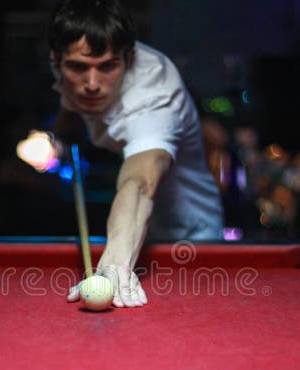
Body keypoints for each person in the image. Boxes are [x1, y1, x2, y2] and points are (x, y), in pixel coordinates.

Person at [48, 0, 224, 308]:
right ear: (56, 60)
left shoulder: (156, 95)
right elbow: (70, 99)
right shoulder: (73, 68)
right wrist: (66, 123)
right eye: (77, 67)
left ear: (128, 59)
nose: (92, 84)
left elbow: (140, 183)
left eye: (107, 67)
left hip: (191, 234)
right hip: (135, 232)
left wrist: (114, 261)